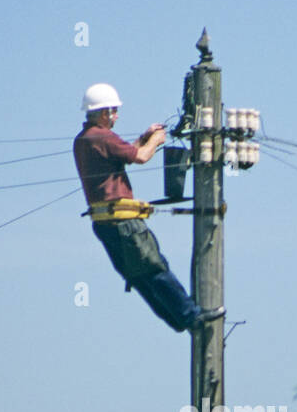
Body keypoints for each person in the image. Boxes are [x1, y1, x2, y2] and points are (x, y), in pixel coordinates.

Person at [73, 83, 225, 333]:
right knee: (154, 268)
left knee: (140, 277)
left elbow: (126, 153)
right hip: (124, 223)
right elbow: (141, 157)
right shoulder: (102, 136)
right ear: (104, 113)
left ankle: (180, 321)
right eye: (114, 111)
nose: (116, 116)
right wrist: (155, 140)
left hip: (103, 225)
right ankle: (191, 316)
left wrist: (143, 139)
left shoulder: (84, 140)